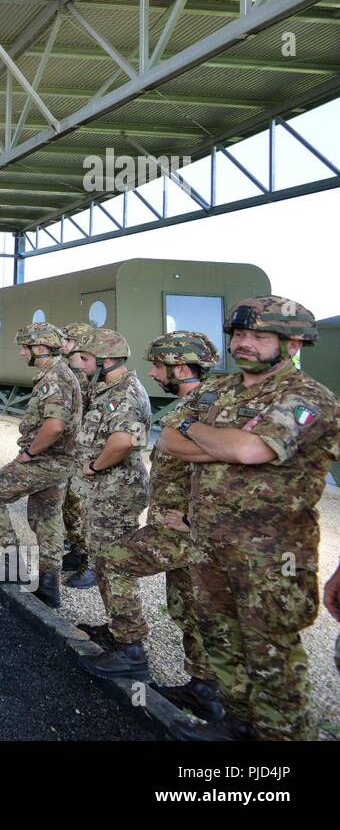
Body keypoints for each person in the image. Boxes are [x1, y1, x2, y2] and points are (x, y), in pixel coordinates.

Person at [157, 296, 339, 741]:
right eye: (239, 334)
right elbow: (166, 441)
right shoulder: (220, 389)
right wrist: (221, 440)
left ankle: (282, 736)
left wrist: (198, 433)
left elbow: (251, 449)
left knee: (270, 649)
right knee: (218, 634)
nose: (244, 344)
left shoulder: (306, 397)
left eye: (259, 336)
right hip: (209, 538)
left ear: (293, 343)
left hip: (272, 554)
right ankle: (237, 722)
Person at [78, 331, 220, 712]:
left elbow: (228, 470)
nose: (154, 372)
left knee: (112, 560)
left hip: (187, 529)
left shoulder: (210, 411)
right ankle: (206, 690)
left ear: (183, 368)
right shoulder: (196, 405)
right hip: (181, 525)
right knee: (188, 605)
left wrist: (193, 518)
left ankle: (130, 648)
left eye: (160, 366)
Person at [0, 322, 82, 605]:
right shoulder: (60, 374)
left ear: (41, 348)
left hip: (45, 460)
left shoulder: (54, 378)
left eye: (26, 347)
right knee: (46, 517)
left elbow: (55, 426)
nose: (22, 353)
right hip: (59, 463)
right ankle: (49, 585)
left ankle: (12, 565)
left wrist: (31, 453)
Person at [62, 328, 151, 591]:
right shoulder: (104, 387)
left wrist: (94, 466)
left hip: (118, 486)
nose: (82, 365)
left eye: (87, 360)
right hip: (102, 483)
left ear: (106, 361)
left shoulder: (126, 393)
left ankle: (95, 571)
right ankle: (88, 561)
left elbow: (124, 441)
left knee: (110, 545)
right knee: (92, 527)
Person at [58, 322, 96, 572]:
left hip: (87, 449)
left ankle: (88, 558)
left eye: (68, 340)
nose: (63, 344)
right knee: (70, 501)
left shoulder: (85, 376)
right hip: (74, 447)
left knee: (82, 502)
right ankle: (76, 547)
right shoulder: (68, 370)